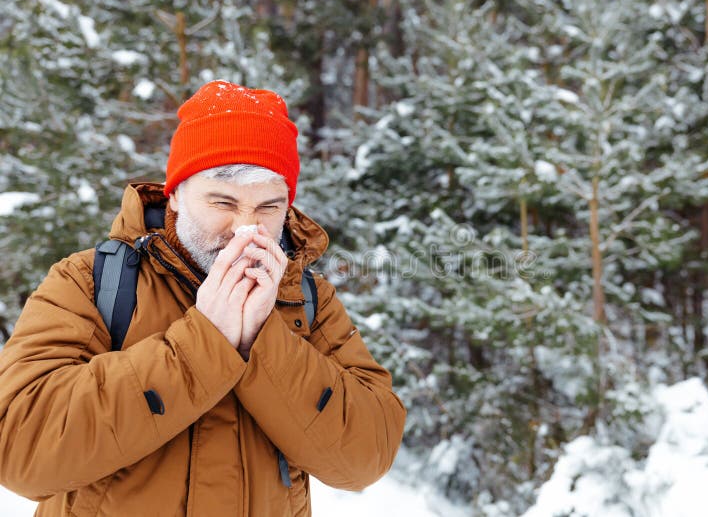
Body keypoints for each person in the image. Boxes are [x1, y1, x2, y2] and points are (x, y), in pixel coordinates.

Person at [0, 80, 406, 516]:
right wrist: (204, 343)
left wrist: (262, 343)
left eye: (268, 207)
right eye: (223, 202)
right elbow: (19, 448)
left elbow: (367, 457)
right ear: (174, 194)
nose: (245, 229)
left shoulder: (307, 299)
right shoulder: (91, 282)